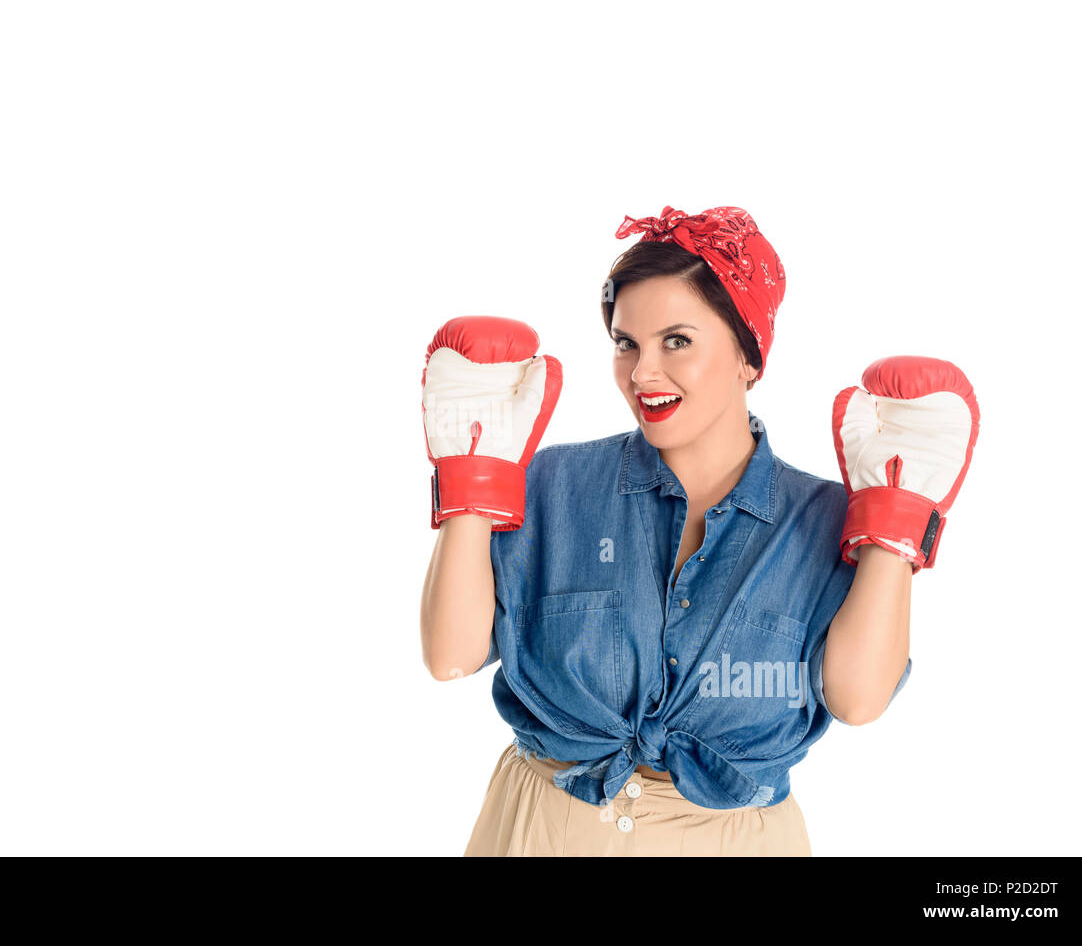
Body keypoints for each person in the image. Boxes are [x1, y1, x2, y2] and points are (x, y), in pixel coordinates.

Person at [419, 206, 980, 856]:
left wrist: (893, 529)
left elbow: (857, 699)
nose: (642, 372)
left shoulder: (825, 519)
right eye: (626, 343)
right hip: (540, 831)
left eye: (676, 340)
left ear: (749, 355)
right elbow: (449, 656)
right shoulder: (550, 484)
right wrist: (471, 484)